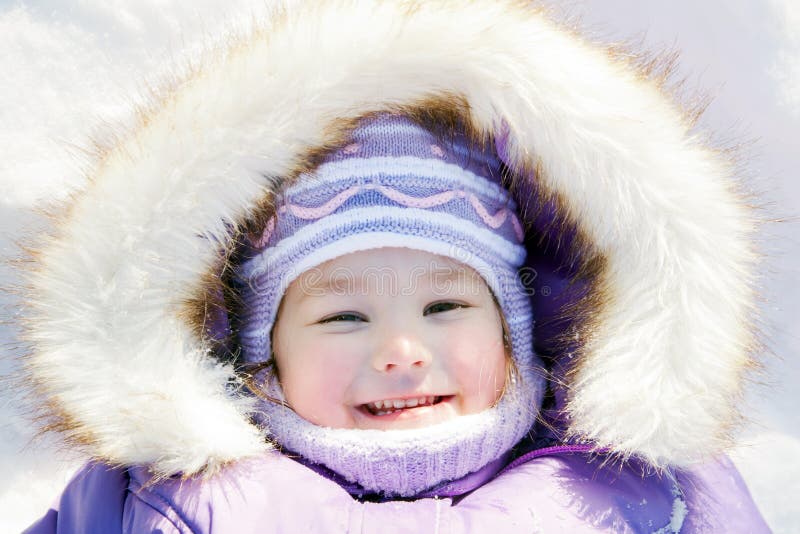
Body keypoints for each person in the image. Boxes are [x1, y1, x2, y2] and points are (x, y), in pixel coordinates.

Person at [18, 1, 769, 532]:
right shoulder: (155, 500)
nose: (403, 351)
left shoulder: (652, 492)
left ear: (513, 329)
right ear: (260, 355)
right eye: (343, 316)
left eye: (446, 307)